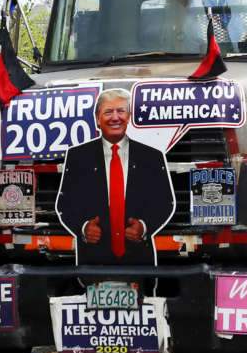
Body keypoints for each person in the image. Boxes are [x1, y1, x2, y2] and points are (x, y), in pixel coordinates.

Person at [56, 88, 174, 265]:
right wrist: (83, 227)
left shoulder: (152, 156)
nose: (115, 117)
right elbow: (64, 205)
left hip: (141, 260)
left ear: (129, 116)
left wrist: (144, 226)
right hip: (92, 260)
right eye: (108, 112)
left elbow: (165, 203)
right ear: (97, 119)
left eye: (121, 111)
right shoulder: (77, 156)